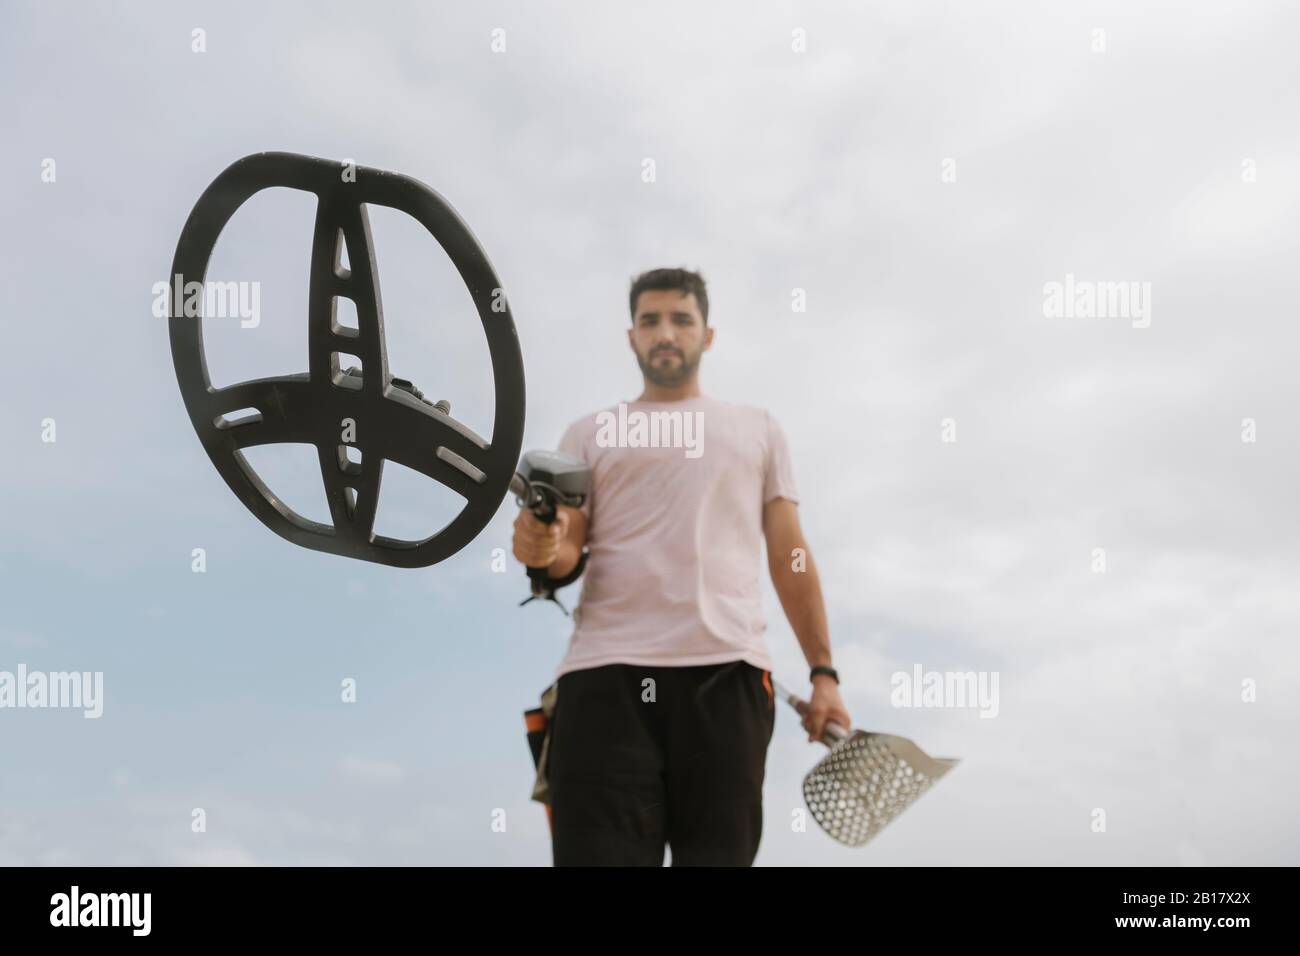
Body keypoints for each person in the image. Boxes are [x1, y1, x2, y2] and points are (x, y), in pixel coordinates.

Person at [512, 267, 850, 866]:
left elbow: (789, 553)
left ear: (707, 335)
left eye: (680, 319)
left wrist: (824, 671)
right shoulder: (590, 432)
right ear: (631, 337)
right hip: (604, 683)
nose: (665, 332)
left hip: (728, 682)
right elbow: (567, 551)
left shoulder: (758, 430)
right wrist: (543, 550)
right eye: (650, 321)